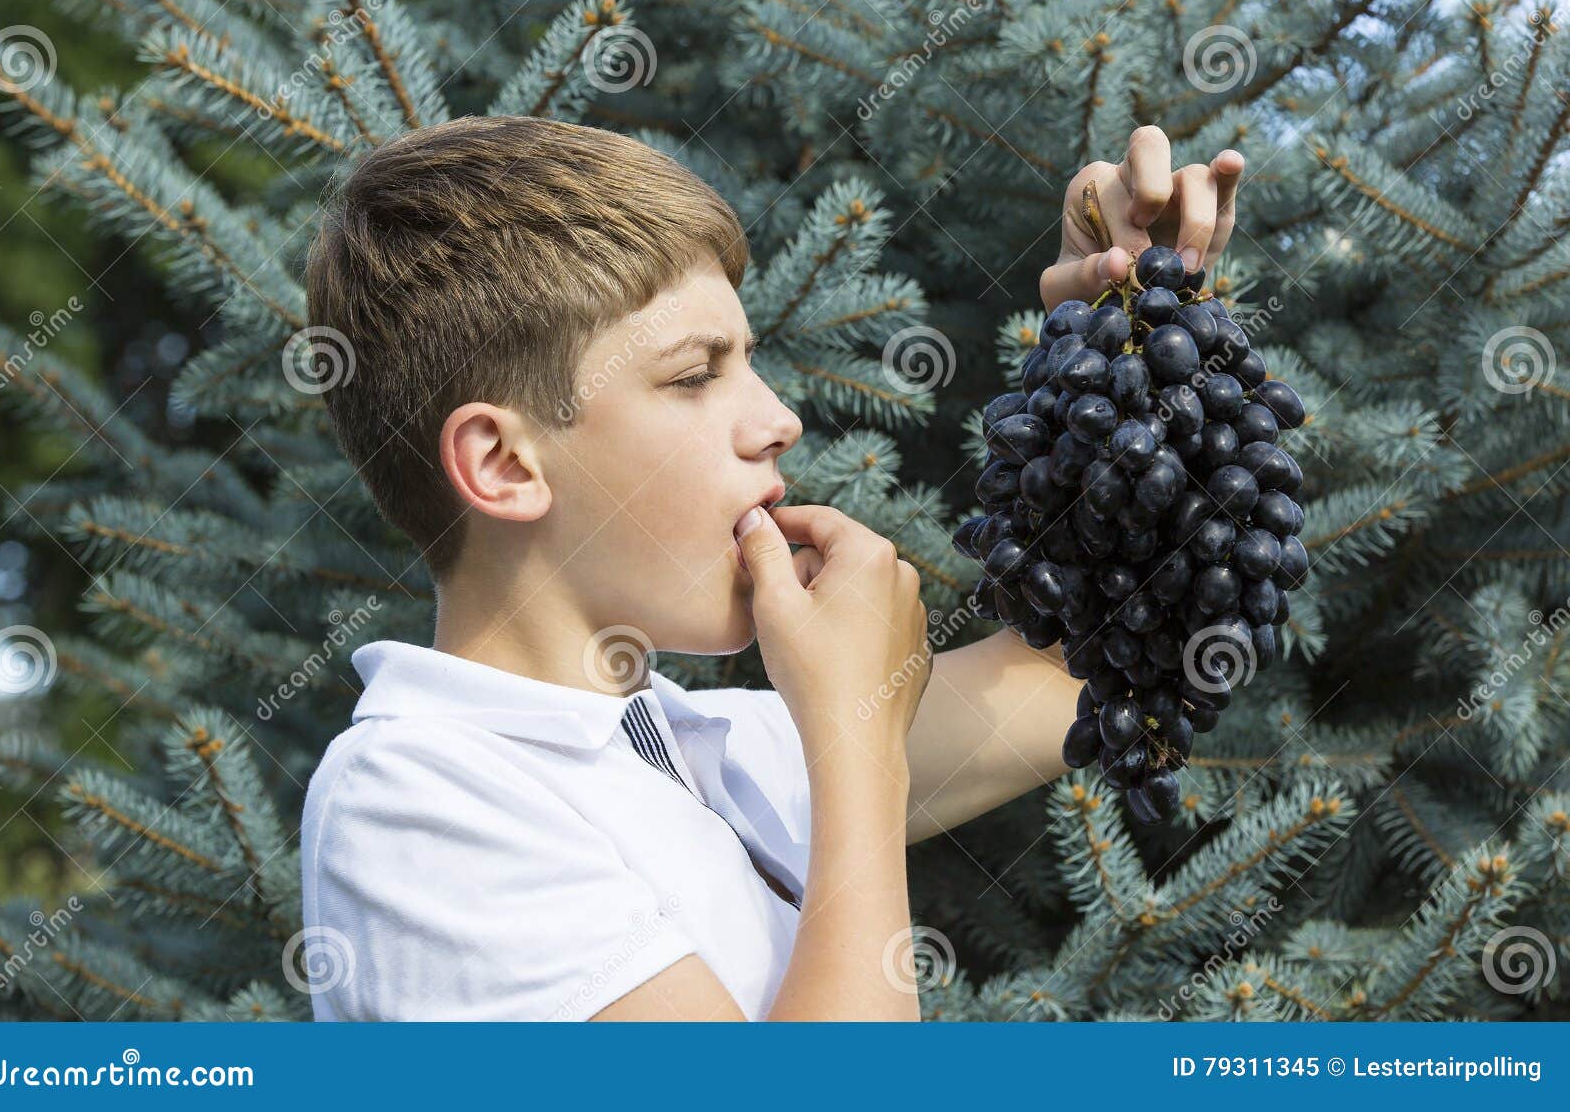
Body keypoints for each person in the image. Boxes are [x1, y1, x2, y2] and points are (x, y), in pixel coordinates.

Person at [297, 115, 1244, 1020]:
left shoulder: (704, 746)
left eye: (751, 360)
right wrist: (854, 740)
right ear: (505, 464)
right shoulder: (416, 801)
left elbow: (1108, 665)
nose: (779, 419)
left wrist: (1127, 340)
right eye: (695, 375)